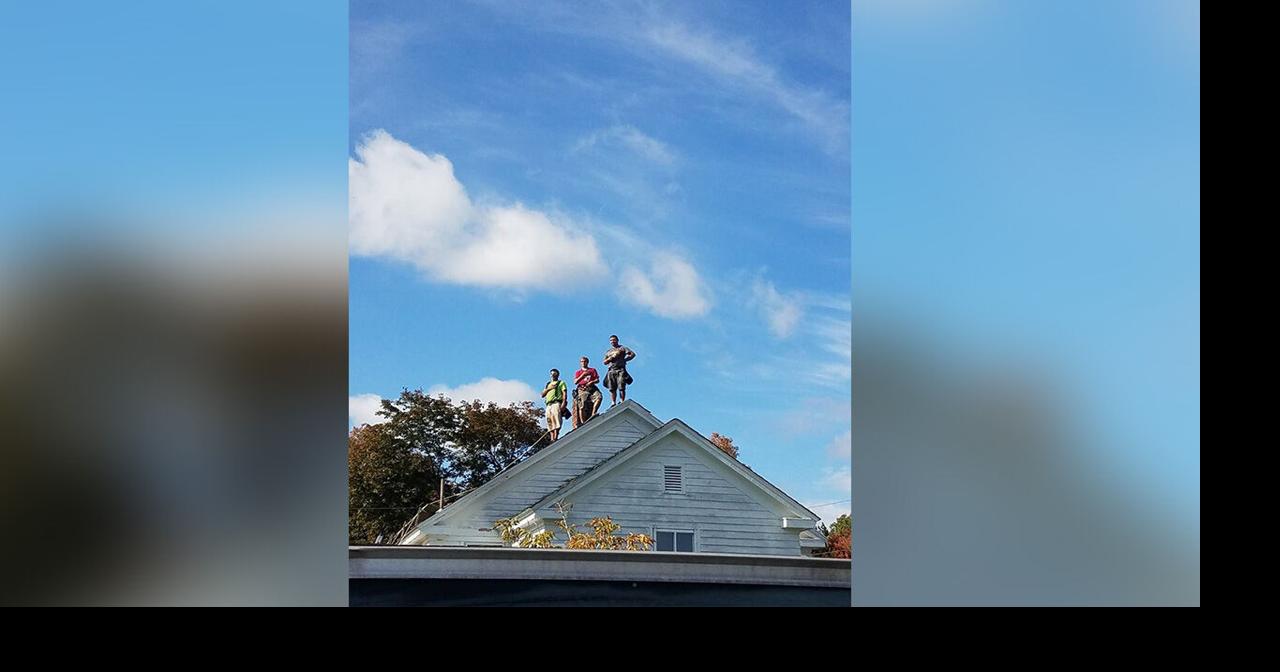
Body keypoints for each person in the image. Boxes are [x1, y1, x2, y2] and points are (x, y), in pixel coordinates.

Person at [602, 334, 636, 407]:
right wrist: (610, 359)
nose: (612, 341)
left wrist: (625, 359)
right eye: (611, 340)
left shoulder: (622, 348)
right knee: (612, 388)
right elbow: (604, 362)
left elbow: (632, 354)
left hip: (620, 369)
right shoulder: (609, 351)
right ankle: (613, 402)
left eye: (614, 340)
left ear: (617, 340)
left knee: (621, 385)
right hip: (611, 370)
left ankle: (622, 400)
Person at [573, 356, 603, 427]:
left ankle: (594, 413)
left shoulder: (592, 370)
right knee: (582, 403)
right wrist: (583, 375)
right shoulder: (578, 372)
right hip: (582, 388)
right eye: (582, 362)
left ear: (587, 362)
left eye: (585, 361)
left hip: (592, 387)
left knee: (599, 397)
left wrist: (592, 381)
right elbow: (575, 382)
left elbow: (597, 380)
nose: (583, 363)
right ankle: (583, 422)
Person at [542, 368, 568, 441]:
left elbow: (564, 393)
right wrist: (549, 389)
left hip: (556, 403)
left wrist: (563, 403)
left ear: (557, 375)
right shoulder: (548, 384)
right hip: (548, 404)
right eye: (552, 374)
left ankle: (555, 436)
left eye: (554, 374)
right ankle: (551, 437)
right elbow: (542, 395)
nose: (553, 375)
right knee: (549, 420)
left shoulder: (561, 383)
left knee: (556, 419)